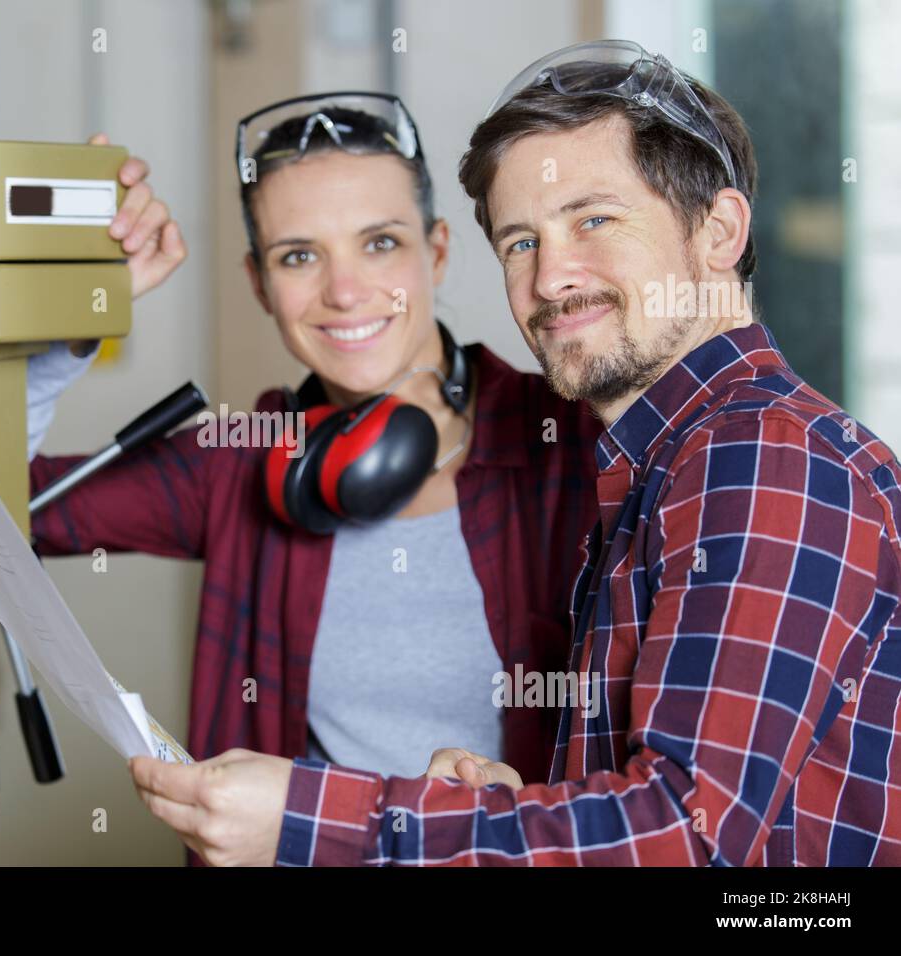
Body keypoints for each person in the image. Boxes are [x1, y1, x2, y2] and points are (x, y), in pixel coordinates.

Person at [128, 40, 901, 867]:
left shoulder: (763, 458)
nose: (552, 277)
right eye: (520, 242)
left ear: (719, 231)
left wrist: (306, 818)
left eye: (593, 219)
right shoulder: (655, 464)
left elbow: (684, 834)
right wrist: (514, 806)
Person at [29, 94, 600, 792]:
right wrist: (74, 319)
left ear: (438, 251)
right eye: (299, 256)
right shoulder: (241, 459)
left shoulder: (578, 438)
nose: (345, 291)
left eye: (381, 242)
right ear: (260, 286)